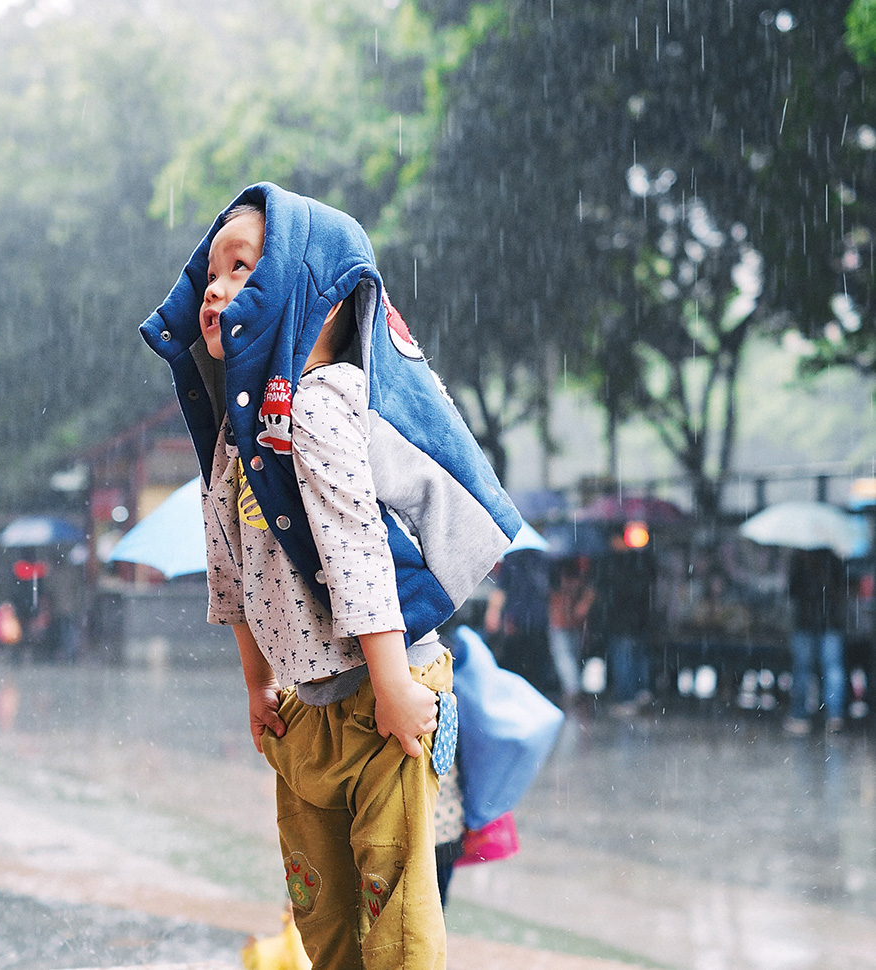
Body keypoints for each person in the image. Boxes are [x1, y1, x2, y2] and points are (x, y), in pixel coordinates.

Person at [140, 182, 519, 969]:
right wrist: (255, 686)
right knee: (323, 920)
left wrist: (390, 686)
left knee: (398, 921)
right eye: (211, 271)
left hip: (383, 698)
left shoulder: (317, 406)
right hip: (306, 713)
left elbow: (357, 551)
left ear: (307, 294)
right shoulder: (228, 443)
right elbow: (229, 576)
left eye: (243, 269)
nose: (215, 287)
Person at [783, 548, 848, 735]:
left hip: (805, 621)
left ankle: (800, 716)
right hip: (830, 622)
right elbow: (842, 587)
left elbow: (792, 590)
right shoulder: (835, 556)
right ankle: (834, 716)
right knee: (833, 668)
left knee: (802, 669)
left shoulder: (800, 556)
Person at [597, 527, 656, 715]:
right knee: (638, 656)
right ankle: (642, 691)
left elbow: (612, 594)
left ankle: (628, 698)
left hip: (622, 623)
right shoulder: (640, 561)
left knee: (624, 660)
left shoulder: (617, 565)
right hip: (639, 621)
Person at [483, 547, 553, 693]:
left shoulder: (512, 558)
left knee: (516, 662)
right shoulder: (546, 558)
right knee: (536, 662)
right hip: (538, 618)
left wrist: (493, 612)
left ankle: (518, 693)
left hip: (518, 617)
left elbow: (501, 590)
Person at [548, 556, 595, 706]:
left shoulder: (558, 575)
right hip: (572, 621)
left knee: (563, 656)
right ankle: (574, 688)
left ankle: (572, 689)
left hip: (562, 621)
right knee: (572, 655)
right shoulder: (580, 578)